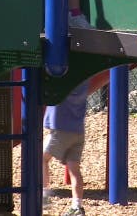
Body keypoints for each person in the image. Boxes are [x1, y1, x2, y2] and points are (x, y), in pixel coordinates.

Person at [43, 81, 89, 216]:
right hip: (78, 131)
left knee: (40, 158)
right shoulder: (84, 82)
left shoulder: (62, 84)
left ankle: (44, 196)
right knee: (74, 169)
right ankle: (77, 207)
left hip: (61, 130)